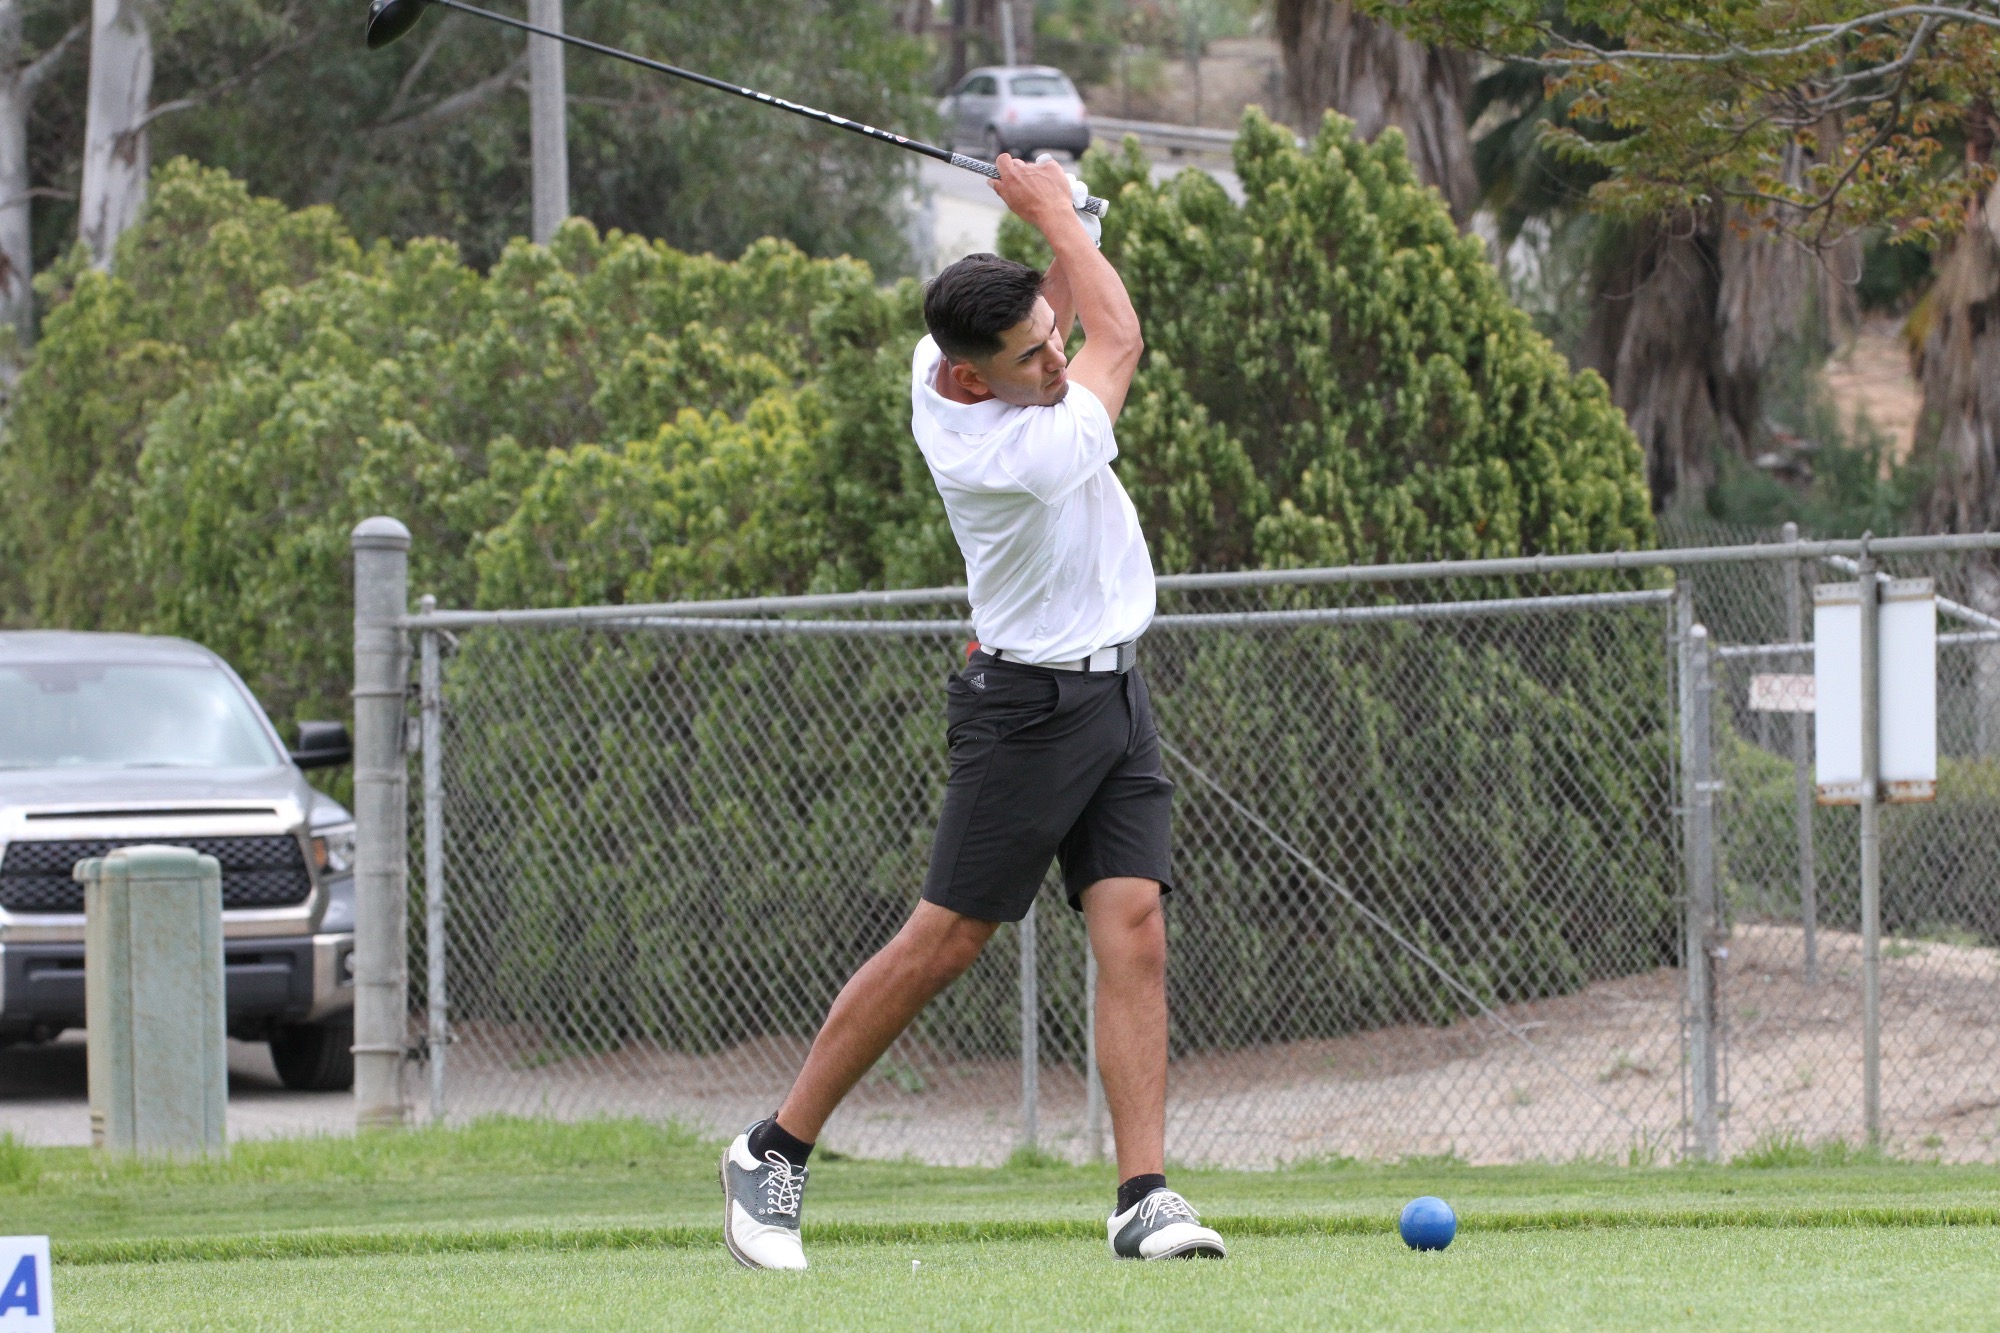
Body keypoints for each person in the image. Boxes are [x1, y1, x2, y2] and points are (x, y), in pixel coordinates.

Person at [721, 153, 1223, 1270]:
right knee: (947, 938)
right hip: (1025, 710)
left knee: (1133, 924)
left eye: (1052, 339)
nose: (1056, 361)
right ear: (968, 380)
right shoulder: (1014, 451)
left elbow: (1056, 309)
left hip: (1114, 687)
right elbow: (1121, 338)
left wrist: (1056, 220)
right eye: (1031, 358)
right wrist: (1055, 215)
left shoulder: (956, 355)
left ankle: (1142, 1194)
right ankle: (772, 1147)